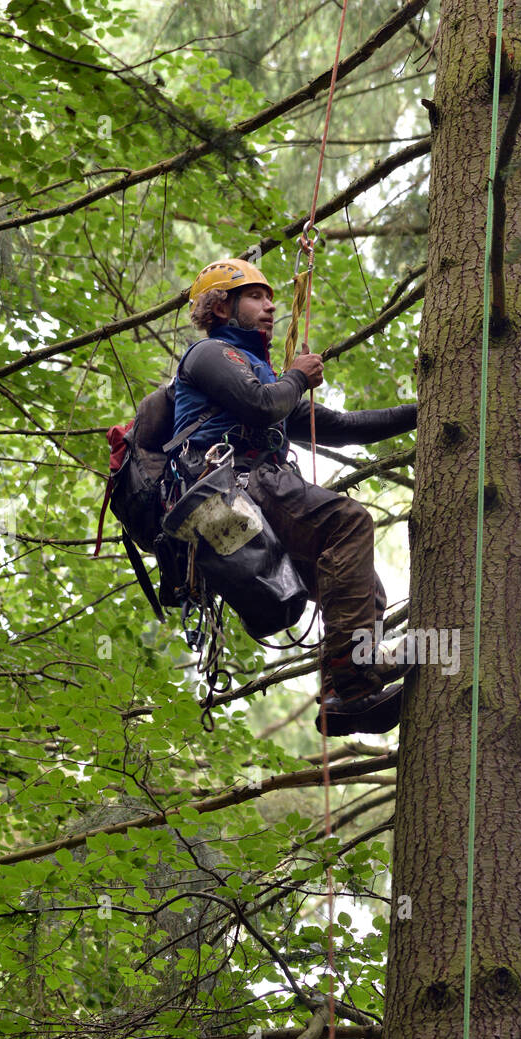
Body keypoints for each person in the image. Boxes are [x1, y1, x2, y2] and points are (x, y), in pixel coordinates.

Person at [171, 258, 416, 736]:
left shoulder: (261, 374)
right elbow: (262, 406)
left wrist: (423, 411)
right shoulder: (209, 355)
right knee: (347, 524)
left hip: (248, 490)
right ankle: (350, 669)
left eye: (270, 297)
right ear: (221, 306)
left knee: (359, 587)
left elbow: (340, 428)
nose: (271, 305)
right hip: (234, 482)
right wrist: (297, 376)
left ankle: (344, 694)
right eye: (257, 297)